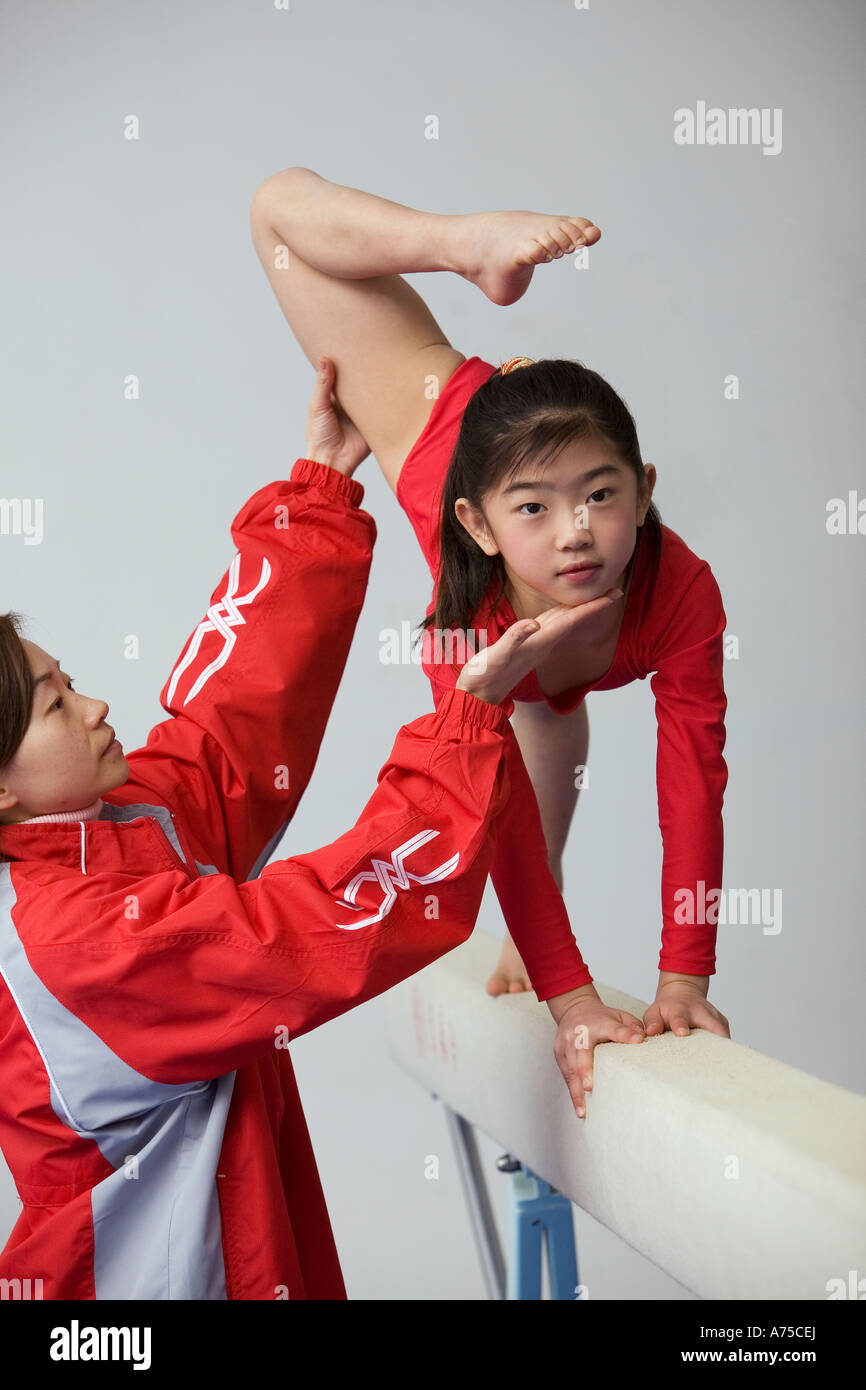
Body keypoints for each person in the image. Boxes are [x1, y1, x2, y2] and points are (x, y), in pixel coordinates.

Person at [0, 365, 646, 1301]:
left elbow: (227, 740)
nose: (96, 703)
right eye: (58, 704)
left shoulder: (115, 836)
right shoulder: (70, 944)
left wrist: (318, 492)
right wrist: (467, 724)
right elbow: (305, 934)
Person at [248, 166, 731, 1059]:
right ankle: (465, 245)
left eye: (603, 497)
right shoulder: (464, 623)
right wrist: (571, 997)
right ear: (479, 527)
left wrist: (684, 979)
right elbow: (493, 803)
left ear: (644, 489)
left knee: (551, 707)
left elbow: (693, 780)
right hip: (455, 433)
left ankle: (551, 491)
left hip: (530, 462)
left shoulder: (683, 592)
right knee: (279, 210)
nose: (578, 534)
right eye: (543, 515)